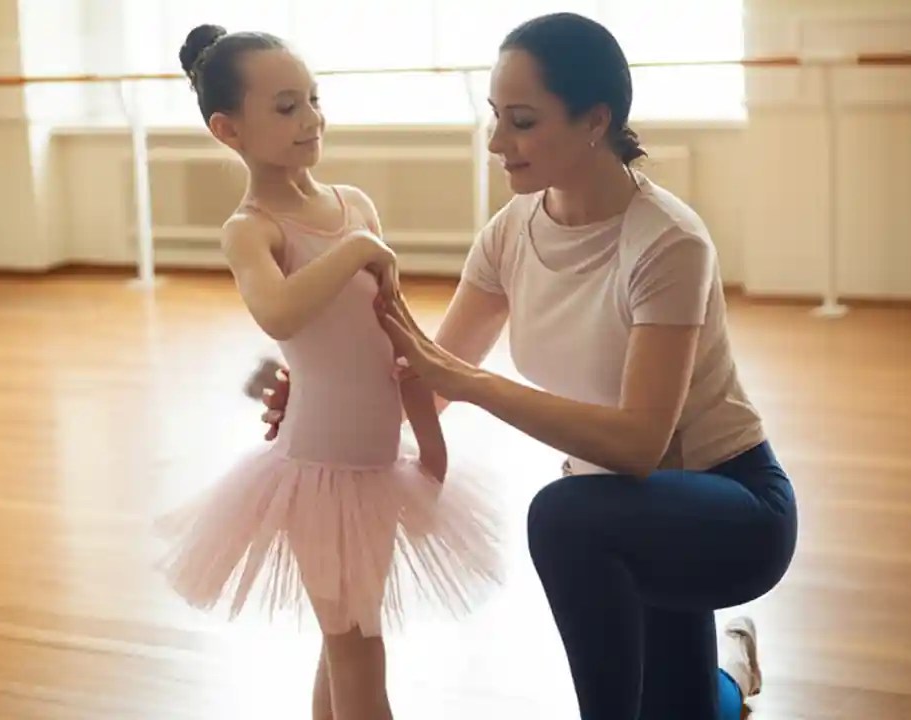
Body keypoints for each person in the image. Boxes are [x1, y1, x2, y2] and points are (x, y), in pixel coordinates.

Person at [255, 12, 797, 720]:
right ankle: (732, 665)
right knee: (681, 703)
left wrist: (475, 383)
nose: (495, 142)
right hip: (624, 520)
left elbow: (638, 443)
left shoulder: (668, 243)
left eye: (521, 121)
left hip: (727, 510)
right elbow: (423, 371)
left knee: (562, 516)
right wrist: (322, 394)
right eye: (494, 117)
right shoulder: (510, 232)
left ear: (593, 120)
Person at [157, 24, 504, 720]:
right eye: (285, 107)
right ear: (228, 130)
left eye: (313, 99)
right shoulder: (252, 229)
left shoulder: (354, 206)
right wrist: (356, 251)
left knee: (346, 635)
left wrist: (427, 438)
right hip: (318, 472)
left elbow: (397, 337)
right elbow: (278, 314)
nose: (311, 118)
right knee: (358, 643)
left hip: (379, 464)